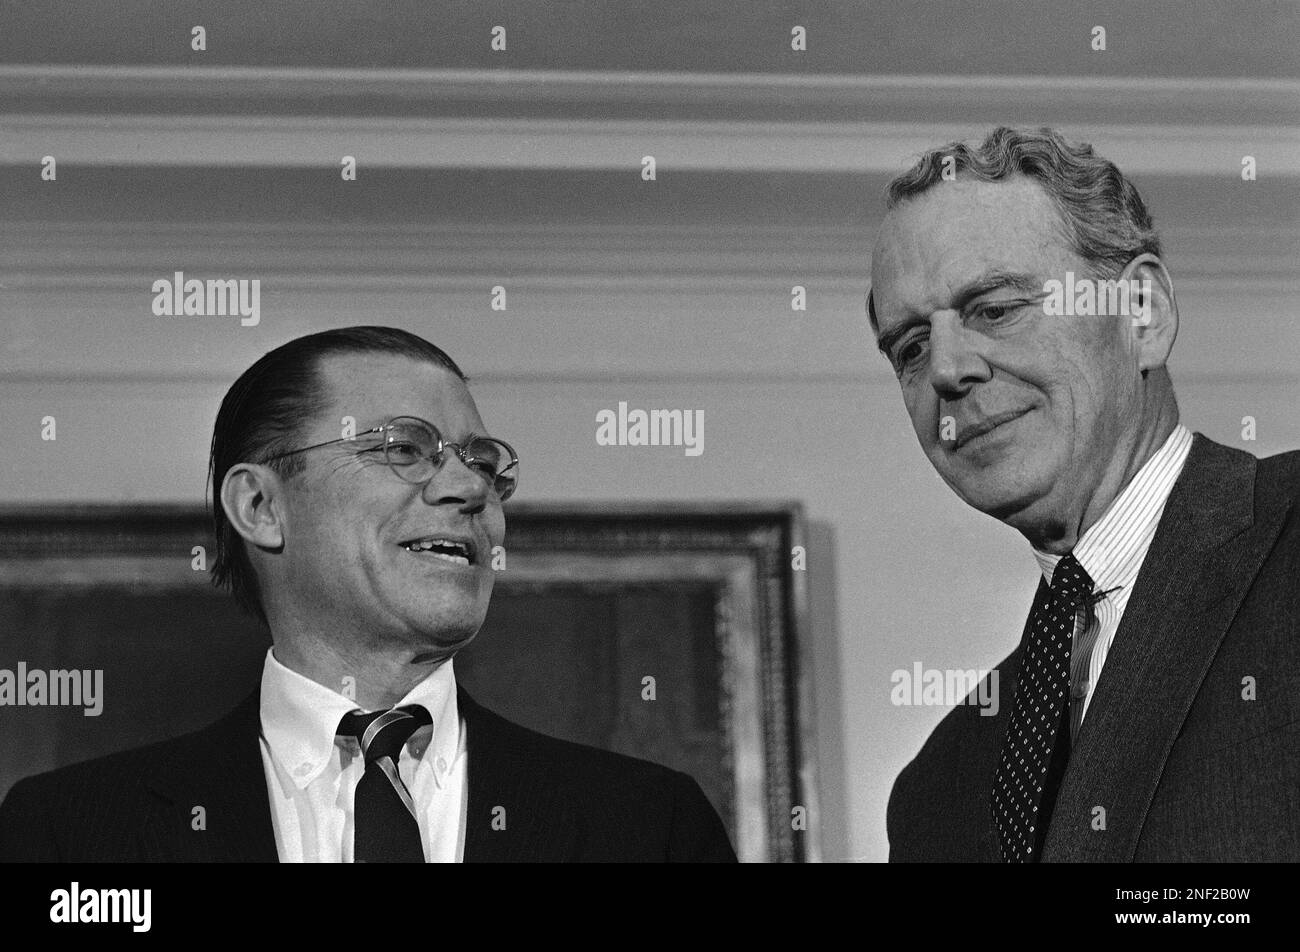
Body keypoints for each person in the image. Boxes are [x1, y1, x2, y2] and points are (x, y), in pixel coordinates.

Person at [0, 325, 736, 863]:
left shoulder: (647, 825)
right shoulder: (67, 835)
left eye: (484, 463)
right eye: (403, 449)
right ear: (261, 507)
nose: (468, 487)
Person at [870, 127, 1300, 862]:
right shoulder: (938, 788)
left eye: (995, 308)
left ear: (1142, 313)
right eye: (910, 346)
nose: (945, 368)